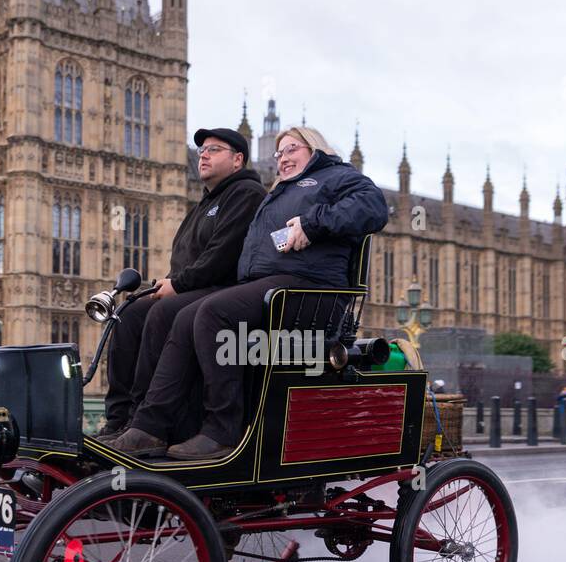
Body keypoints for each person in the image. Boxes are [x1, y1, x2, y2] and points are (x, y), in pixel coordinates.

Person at [108, 126, 389, 460]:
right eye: (279, 153)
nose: (284, 157)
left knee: (213, 313)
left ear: (314, 149)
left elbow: (374, 207)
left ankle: (222, 431)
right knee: (186, 315)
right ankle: (149, 426)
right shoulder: (278, 192)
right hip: (272, 286)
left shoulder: (336, 175)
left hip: (308, 292)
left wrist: (313, 224)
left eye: (292, 150)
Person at [98, 127, 266, 439]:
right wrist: (170, 282)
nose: (203, 154)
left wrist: (178, 284)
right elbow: (185, 258)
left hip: (224, 291)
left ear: (237, 160)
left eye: (214, 150)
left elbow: (222, 256)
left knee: (164, 312)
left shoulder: (247, 195)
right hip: (193, 287)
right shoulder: (205, 202)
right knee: (129, 315)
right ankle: (120, 417)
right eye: (201, 149)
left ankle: (149, 424)